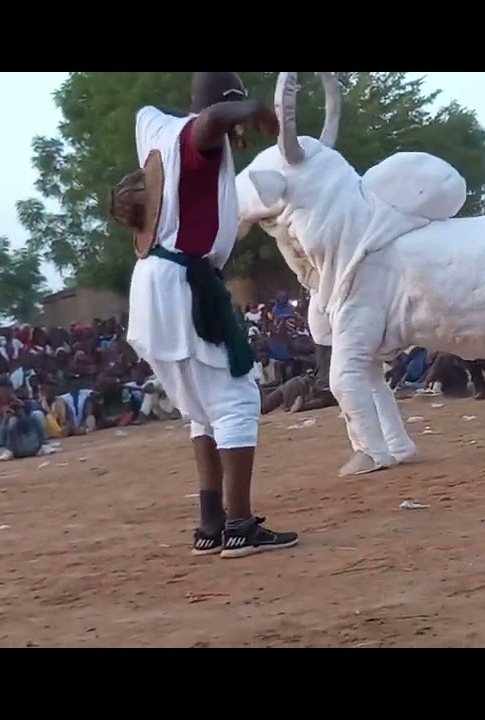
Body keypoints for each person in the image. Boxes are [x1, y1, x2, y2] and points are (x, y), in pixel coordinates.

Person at [112, 72, 297, 559]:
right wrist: (253, 108)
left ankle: (211, 523)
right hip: (183, 284)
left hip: (153, 281)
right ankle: (239, 525)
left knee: (203, 408)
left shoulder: (155, 132)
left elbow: (154, 112)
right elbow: (209, 121)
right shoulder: (201, 143)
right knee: (236, 401)